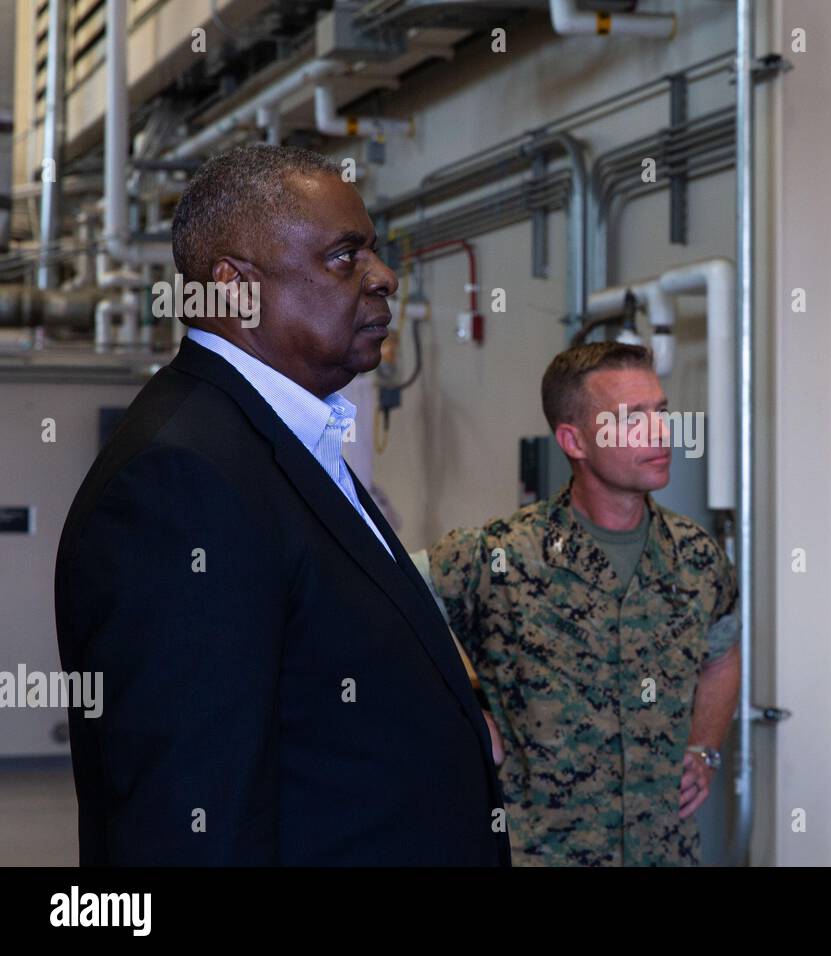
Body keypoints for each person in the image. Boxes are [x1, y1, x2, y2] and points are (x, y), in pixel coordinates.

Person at [54, 144, 509, 866]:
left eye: (374, 253)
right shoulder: (182, 481)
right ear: (235, 288)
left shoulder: (282, 439)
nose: (384, 276)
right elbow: (187, 819)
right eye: (344, 257)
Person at [418, 342, 740, 865]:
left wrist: (705, 747)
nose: (661, 433)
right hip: (540, 853)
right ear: (574, 440)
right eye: (632, 420)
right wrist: (465, 717)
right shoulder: (498, 556)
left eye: (661, 413)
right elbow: (374, 607)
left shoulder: (696, 557)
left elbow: (723, 653)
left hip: (662, 852)